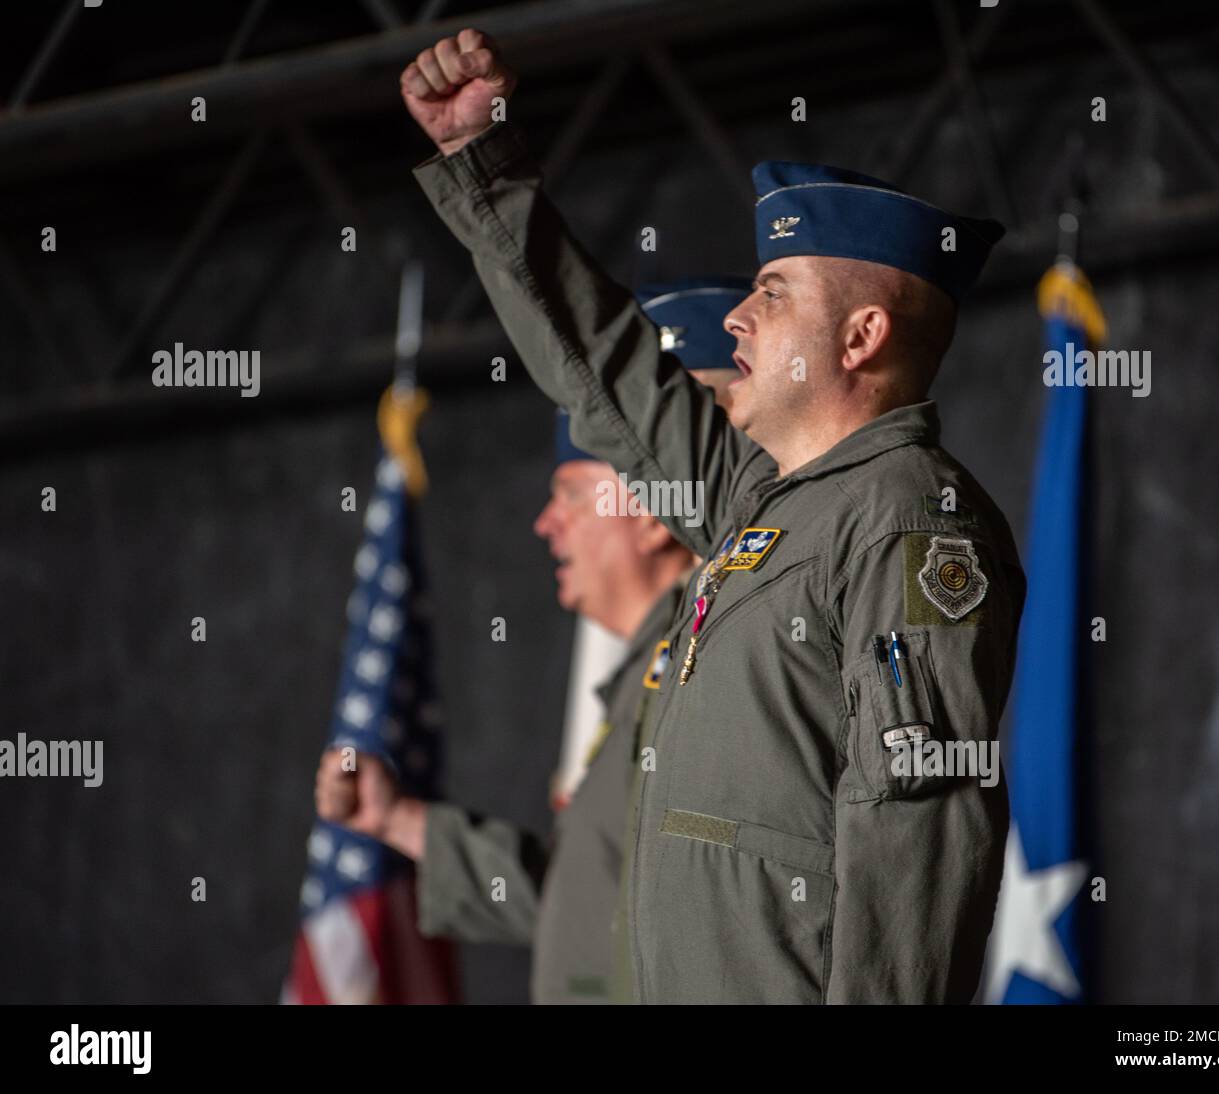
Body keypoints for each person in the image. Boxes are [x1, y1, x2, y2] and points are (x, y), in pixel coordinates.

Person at [399, 29, 1028, 1004]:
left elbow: (919, 822)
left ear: (860, 335)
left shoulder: (906, 517)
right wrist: (481, 164)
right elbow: (604, 369)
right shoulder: (752, 500)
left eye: (771, 294)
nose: (737, 316)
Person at [316, 277, 749, 1004]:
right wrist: (397, 820)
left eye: (571, 496)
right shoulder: (656, 666)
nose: (546, 525)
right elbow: (598, 900)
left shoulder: (720, 663)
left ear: (649, 509)